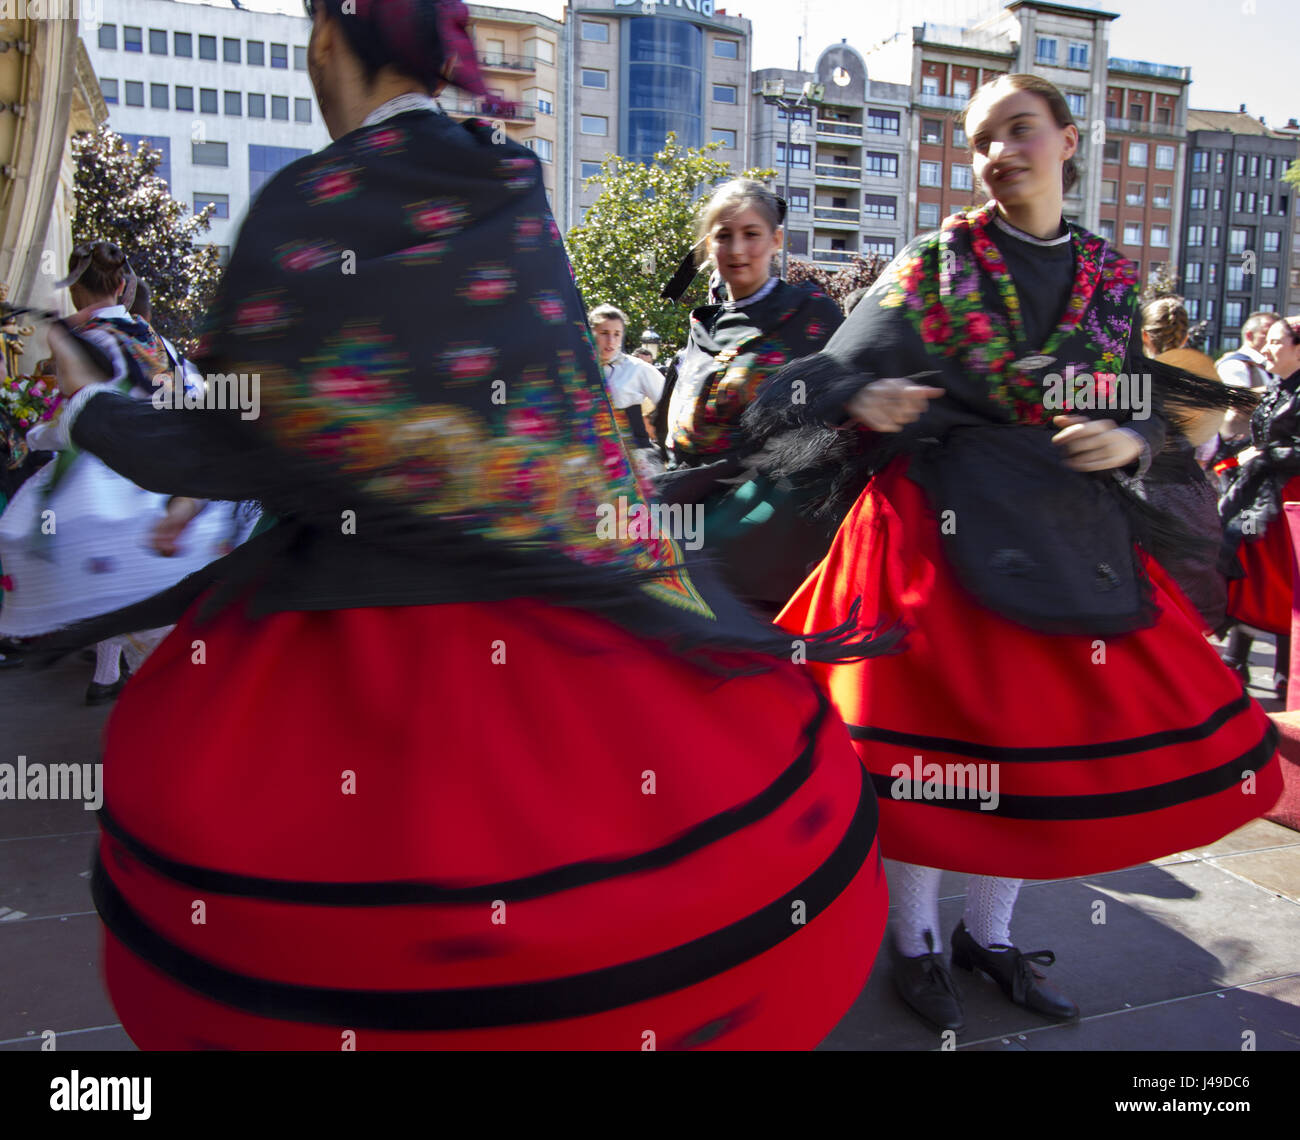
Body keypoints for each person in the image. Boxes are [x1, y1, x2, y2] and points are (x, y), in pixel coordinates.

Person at [41, 0, 895, 1050]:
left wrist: (85, 403)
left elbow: (238, 439)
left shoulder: (313, 197)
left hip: (355, 624)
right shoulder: (508, 182)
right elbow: (558, 416)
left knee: (297, 923)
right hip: (562, 606)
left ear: (323, 41)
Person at [743, 73, 1280, 1033]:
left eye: (1020, 129)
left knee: (1032, 757)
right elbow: (817, 379)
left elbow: (1131, 404)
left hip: (1065, 535)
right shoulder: (935, 260)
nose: (1000, 151)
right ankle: (913, 943)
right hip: (935, 535)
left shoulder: (1113, 276)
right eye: (982, 138)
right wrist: (862, 397)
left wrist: (1128, 439)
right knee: (936, 756)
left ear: (1070, 141)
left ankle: (984, 939)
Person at [0, 242, 236, 703]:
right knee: (148, 615)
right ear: (124, 286)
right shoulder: (159, 343)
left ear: (74, 292)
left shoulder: (77, 339)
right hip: (166, 489)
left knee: (109, 594)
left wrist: (35, 438)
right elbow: (199, 403)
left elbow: (83, 418)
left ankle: (124, 690)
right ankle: (133, 690)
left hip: (103, 493)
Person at [652, 179, 845, 610]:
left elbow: (832, 424)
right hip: (682, 505)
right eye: (723, 236)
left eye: (751, 234)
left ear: (776, 240)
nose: (737, 249)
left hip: (759, 523)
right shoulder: (704, 325)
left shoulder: (811, 318)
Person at [1136, 298, 1239, 633]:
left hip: (1137, 490)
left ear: (1144, 336)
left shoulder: (1128, 377)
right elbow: (1208, 446)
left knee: (1142, 590)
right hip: (1190, 493)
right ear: (1182, 337)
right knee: (1187, 597)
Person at [1219, 316, 1300, 693]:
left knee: (1283, 585)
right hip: (1263, 496)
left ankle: (1286, 672)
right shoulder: (1278, 388)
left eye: (1276, 341)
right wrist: (1234, 458)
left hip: (1290, 504)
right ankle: (1236, 661)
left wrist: (1264, 456)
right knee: (1252, 574)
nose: (1266, 349)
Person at [590, 302, 663, 451]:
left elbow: (668, 403)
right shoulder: (579, 367)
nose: (611, 341)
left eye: (617, 334)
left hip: (632, 454)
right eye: (604, 333)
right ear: (591, 333)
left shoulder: (637, 368)